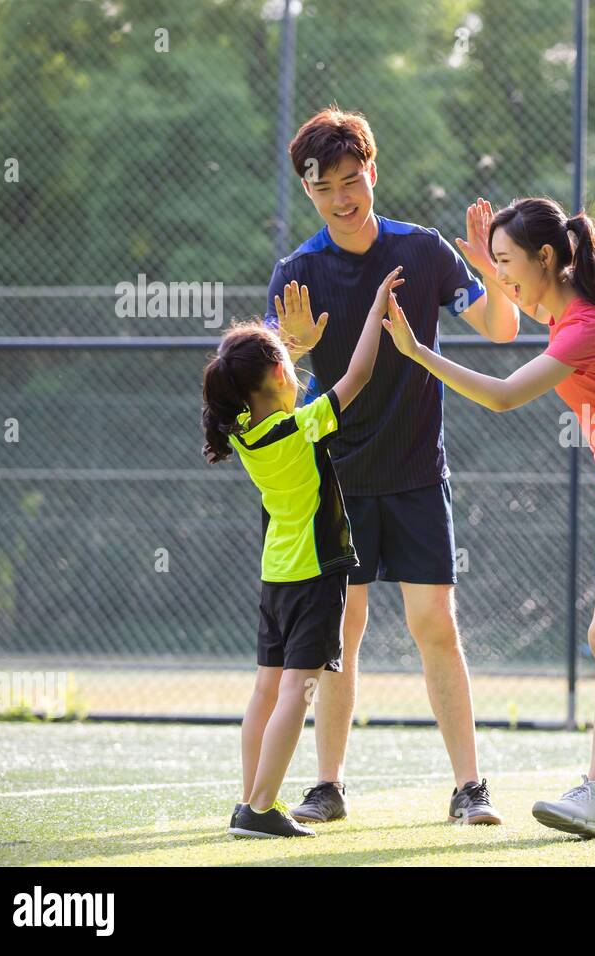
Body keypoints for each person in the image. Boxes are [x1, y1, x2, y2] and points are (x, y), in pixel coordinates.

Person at [382, 197, 595, 838]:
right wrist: (486, 263)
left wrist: (417, 352)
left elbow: (502, 396)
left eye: (508, 263)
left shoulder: (583, 328)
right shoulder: (567, 315)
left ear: (548, 258)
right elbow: (523, 305)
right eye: (495, 264)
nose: (500, 277)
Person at [266, 107, 520, 825]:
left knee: (435, 622)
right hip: (336, 482)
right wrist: (297, 351)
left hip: (415, 474)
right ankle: (327, 786)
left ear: (372, 172)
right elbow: (281, 398)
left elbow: (504, 328)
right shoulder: (297, 274)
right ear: (308, 192)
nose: (343, 199)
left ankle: (470, 789)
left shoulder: (426, 251)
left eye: (354, 180)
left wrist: (487, 270)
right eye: (325, 189)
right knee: (339, 633)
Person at [203, 267, 405, 837]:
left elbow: (262, 379)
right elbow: (359, 374)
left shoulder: (243, 431)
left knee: (268, 687)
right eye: (288, 366)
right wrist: (374, 311)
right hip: (316, 572)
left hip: (276, 576)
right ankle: (262, 806)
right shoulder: (303, 427)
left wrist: (284, 347)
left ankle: (250, 800)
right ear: (275, 376)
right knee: (298, 687)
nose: (297, 371)